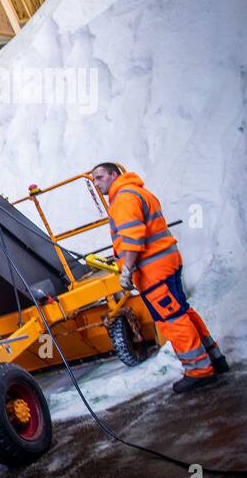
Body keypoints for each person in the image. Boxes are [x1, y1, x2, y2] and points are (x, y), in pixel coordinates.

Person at [90, 162, 229, 393]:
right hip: (167, 261)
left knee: (172, 319)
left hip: (153, 270)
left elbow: (133, 239)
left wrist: (127, 269)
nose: (97, 184)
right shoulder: (139, 191)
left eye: (100, 177)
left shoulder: (123, 199)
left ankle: (199, 371)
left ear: (114, 175)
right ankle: (214, 359)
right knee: (182, 312)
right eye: (94, 179)